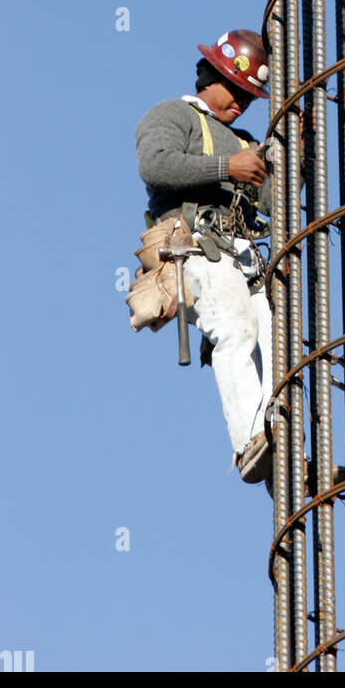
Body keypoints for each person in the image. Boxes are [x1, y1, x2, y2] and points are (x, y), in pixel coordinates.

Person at [135, 29, 275, 485]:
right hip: (194, 245)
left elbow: (274, 203)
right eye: (237, 90)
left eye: (251, 97)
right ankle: (250, 441)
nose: (243, 102)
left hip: (244, 256)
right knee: (235, 330)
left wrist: (295, 158)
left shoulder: (245, 140)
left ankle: (283, 458)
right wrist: (226, 168)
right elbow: (155, 164)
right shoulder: (173, 114)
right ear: (211, 75)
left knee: (274, 351)